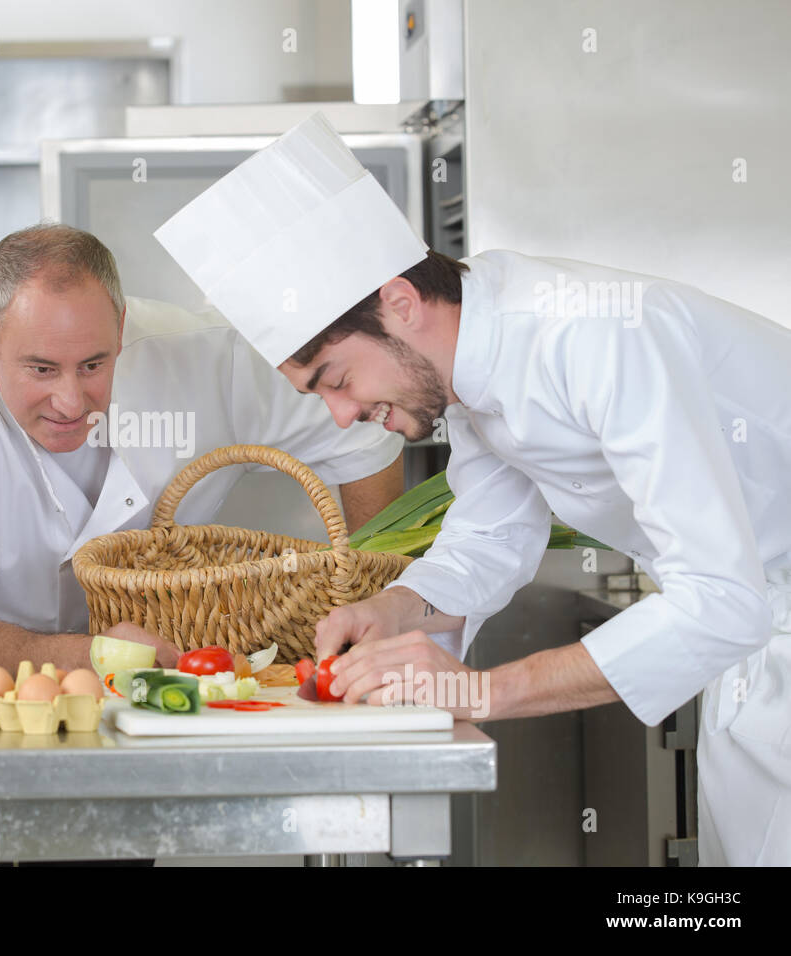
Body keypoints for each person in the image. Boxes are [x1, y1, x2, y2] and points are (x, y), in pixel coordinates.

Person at [155, 112, 791, 866]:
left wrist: (482, 693)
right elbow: (491, 536)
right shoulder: (468, 373)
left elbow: (720, 596)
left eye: (337, 379)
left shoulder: (595, 338)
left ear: (399, 302)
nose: (342, 413)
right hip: (760, 651)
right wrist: (393, 607)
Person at [0, 222, 407, 864]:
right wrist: (95, 654)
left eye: (94, 364)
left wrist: (379, 602)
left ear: (122, 327)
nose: (71, 400)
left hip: (129, 708)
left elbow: (362, 441)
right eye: (41, 368)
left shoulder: (209, 359)